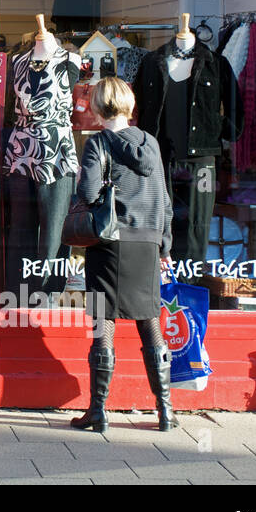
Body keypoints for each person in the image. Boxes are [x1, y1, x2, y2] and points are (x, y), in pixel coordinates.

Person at [70, 76, 178, 433]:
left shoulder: (98, 143)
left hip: (110, 245)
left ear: (99, 106)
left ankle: (98, 412)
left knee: (105, 325)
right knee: (150, 325)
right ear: (129, 104)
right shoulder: (150, 142)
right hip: (147, 243)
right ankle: (166, 411)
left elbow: (86, 193)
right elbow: (164, 200)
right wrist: (164, 245)